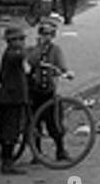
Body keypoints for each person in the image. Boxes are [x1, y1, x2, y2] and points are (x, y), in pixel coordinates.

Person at [26, 21, 73, 163]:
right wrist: (39, 47)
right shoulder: (33, 49)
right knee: (34, 122)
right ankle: (37, 152)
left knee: (54, 122)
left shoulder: (55, 50)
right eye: (43, 34)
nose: (46, 37)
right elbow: (31, 61)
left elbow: (62, 65)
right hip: (34, 92)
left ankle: (60, 150)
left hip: (49, 92)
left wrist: (66, 72)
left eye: (49, 34)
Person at [0, 25, 29, 175]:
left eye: (22, 39)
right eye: (19, 39)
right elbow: (21, 57)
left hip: (11, 97)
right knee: (10, 131)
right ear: (11, 41)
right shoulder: (12, 55)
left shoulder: (11, 54)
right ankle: (7, 163)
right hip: (11, 99)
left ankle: (7, 159)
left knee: (9, 129)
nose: (22, 42)